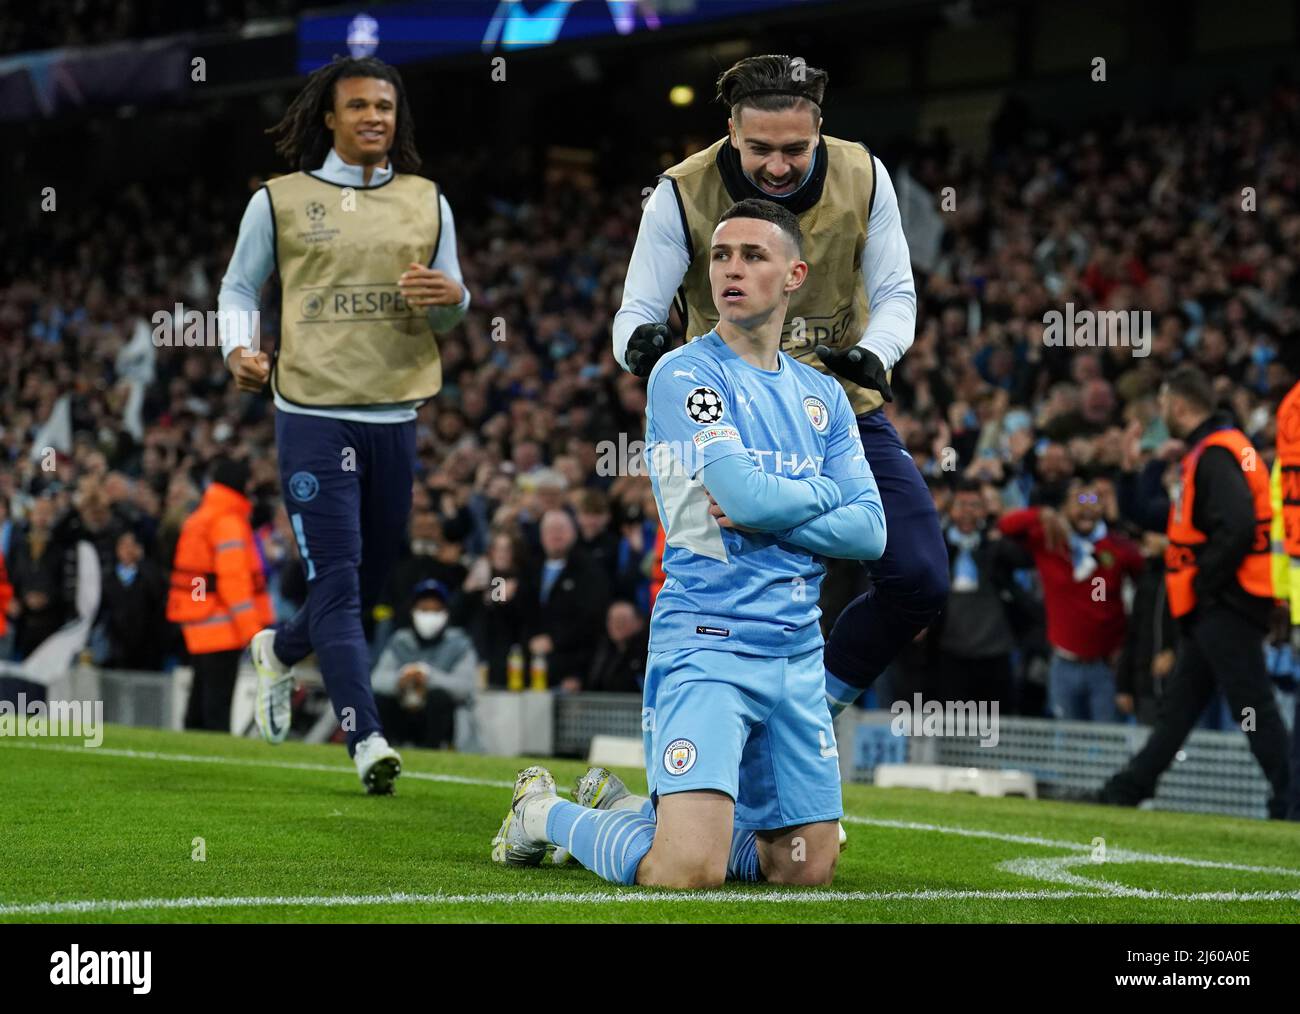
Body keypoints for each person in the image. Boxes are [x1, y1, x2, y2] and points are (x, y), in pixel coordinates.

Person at [492, 199, 886, 887]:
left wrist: (776, 507)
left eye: (753, 256)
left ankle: (635, 811)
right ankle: (542, 812)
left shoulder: (822, 395)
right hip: (709, 640)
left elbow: (871, 530)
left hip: (795, 652)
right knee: (685, 872)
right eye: (721, 256)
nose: (731, 270)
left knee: (803, 868)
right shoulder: (686, 375)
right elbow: (743, 498)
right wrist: (815, 498)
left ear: (795, 275)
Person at [611, 54, 945, 723]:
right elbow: (634, 314)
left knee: (920, 579)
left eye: (797, 148)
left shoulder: (864, 174)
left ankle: (807, 714)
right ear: (731, 131)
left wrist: (874, 354)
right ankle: (690, 754)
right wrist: (642, 348)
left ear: (820, 129)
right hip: (727, 417)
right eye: (760, 148)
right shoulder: (680, 191)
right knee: (720, 597)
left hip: (837, 408)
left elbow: (896, 294)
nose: (779, 165)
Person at [216, 56, 469, 793]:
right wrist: (238, 344)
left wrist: (452, 296)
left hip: (395, 410)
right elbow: (238, 284)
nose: (373, 118)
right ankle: (366, 737)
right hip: (312, 412)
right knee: (339, 579)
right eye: (357, 105)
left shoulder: (427, 200)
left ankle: (280, 647)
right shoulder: (281, 200)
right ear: (329, 116)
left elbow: (454, 308)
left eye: (385, 107)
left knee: (366, 576)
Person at [1098, 367, 1292, 817]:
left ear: (1180, 405)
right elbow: (1154, 516)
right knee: (1181, 709)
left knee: (1253, 704)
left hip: (1226, 600)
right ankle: (1129, 788)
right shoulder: (1211, 450)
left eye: (1164, 404)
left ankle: (1291, 795)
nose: (1162, 414)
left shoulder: (1216, 454)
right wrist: (1136, 470)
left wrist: (1205, 584)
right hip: (1219, 602)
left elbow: (1238, 526)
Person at [998, 477, 1144, 721]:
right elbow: (1006, 525)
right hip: (1063, 665)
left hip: (1106, 668)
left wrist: (1127, 652)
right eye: (1079, 500)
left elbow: (1146, 584)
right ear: (1064, 508)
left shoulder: (1118, 547)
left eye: (1093, 500)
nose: (1087, 506)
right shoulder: (1051, 541)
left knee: (1110, 744)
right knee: (1067, 745)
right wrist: (1041, 514)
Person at [167, 458, 274, 732]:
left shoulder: (202, 516)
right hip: (221, 625)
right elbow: (233, 582)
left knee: (198, 706)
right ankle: (209, 766)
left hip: (199, 621)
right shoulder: (228, 521)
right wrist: (253, 632)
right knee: (216, 709)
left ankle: (187, 760)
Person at [371, 580, 477, 750]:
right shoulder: (401, 641)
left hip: (442, 723)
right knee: (381, 700)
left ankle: (434, 751)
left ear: (446, 613)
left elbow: (465, 687)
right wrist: (402, 677)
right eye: (424, 610)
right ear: (413, 612)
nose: (429, 615)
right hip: (404, 713)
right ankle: (385, 749)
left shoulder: (459, 643)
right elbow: (376, 680)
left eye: (435, 610)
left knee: (438, 698)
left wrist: (427, 676)